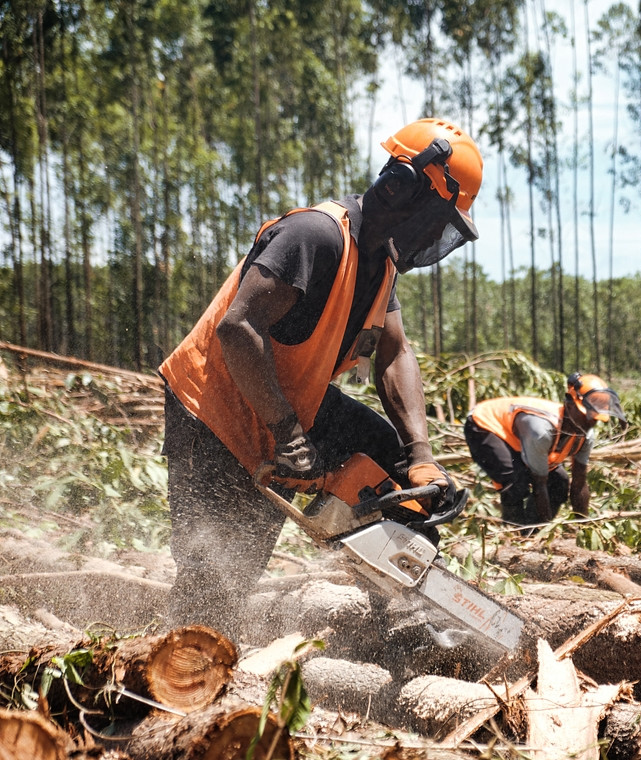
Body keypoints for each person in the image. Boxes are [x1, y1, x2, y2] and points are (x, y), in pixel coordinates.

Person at [158, 118, 482, 634]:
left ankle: (403, 619)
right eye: (436, 219)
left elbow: (395, 352)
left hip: (283, 402)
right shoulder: (316, 236)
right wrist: (288, 433)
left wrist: (419, 452)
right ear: (398, 186)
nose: (432, 236)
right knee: (217, 580)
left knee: (386, 456)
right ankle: (165, 672)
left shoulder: (381, 263)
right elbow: (238, 329)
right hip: (214, 410)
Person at [464, 373, 626, 526]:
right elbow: (539, 483)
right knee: (515, 482)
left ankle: (532, 530)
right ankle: (515, 534)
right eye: (586, 416)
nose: (590, 423)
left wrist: (584, 527)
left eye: (594, 419)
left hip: (521, 437)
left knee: (560, 483)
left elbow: (579, 483)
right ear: (569, 405)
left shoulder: (586, 436)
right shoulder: (542, 430)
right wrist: (547, 528)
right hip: (484, 424)